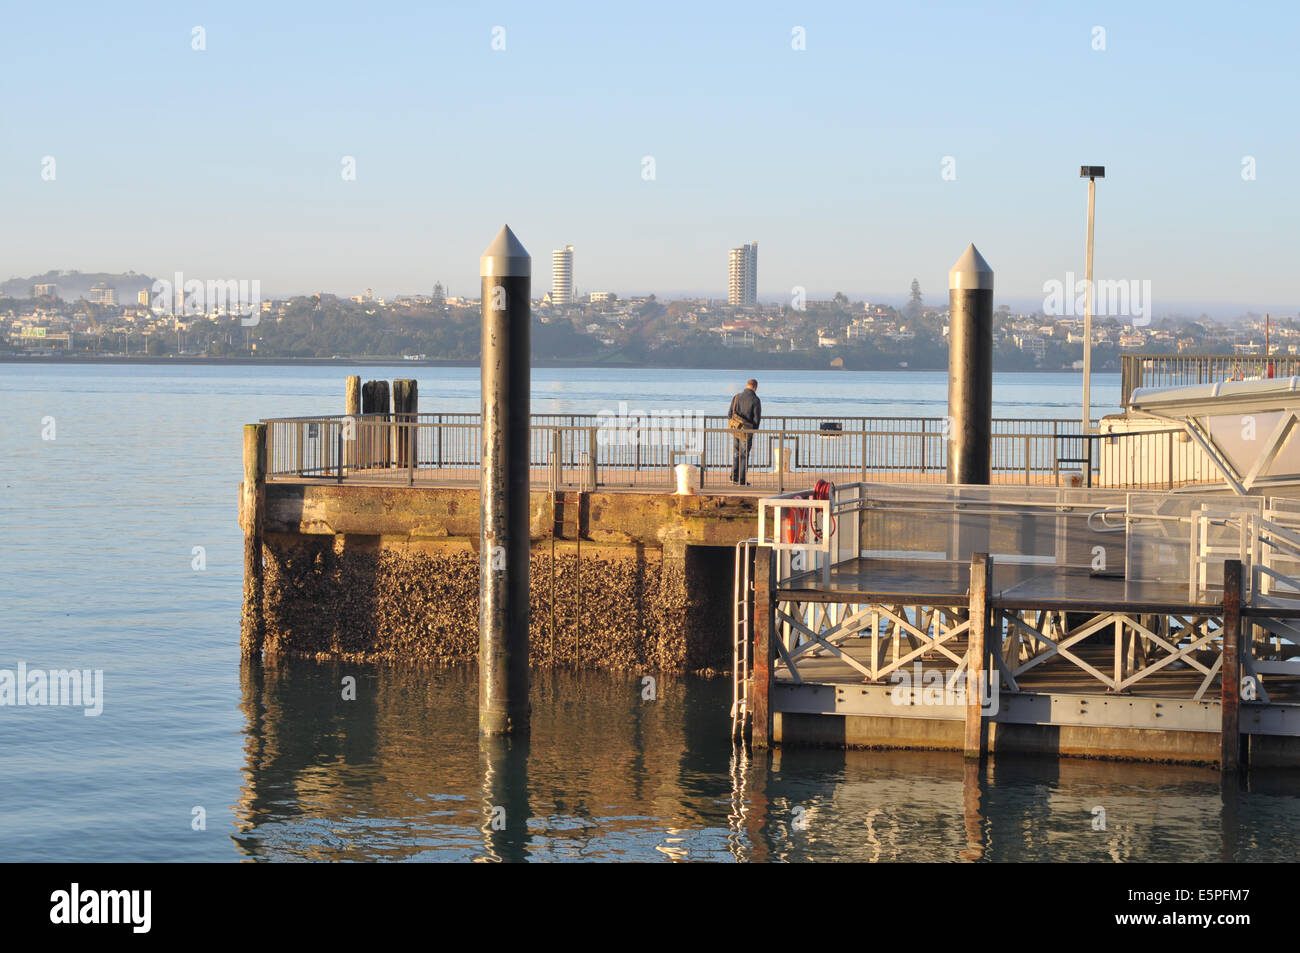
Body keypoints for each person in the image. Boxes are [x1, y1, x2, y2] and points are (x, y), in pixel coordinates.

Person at [728, 379, 761, 485]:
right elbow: (756, 419)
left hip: (736, 429)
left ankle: (734, 477)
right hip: (747, 431)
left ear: (747, 385)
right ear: (755, 387)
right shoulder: (755, 400)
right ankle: (742, 481)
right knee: (744, 454)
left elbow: (729, 414)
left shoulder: (737, 397)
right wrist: (753, 430)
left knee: (736, 453)